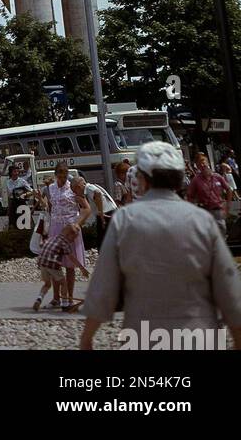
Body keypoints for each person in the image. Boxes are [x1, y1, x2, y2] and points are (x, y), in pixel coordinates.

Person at [80, 141, 241, 351]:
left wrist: (87, 337)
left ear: (143, 179)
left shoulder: (125, 220)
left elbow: (104, 285)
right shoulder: (202, 221)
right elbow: (227, 285)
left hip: (143, 336)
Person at [45, 162, 90, 307]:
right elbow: (51, 208)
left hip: (70, 227)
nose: (63, 179)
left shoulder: (73, 188)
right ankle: (56, 297)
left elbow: (86, 208)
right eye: (60, 176)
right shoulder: (50, 188)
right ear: (56, 175)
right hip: (55, 227)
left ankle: (69, 297)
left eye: (65, 176)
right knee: (55, 264)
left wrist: (78, 223)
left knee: (70, 266)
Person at [34, 225, 81, 313]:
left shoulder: (52, 238)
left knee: (47, 284)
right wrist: (82, 269)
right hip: (53, 265)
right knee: (64, 284)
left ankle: (39, 299)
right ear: (68, 235)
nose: (73, 240)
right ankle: (65, 305)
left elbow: (41, 245)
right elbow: (71, 257)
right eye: (73, 238)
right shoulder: (64, 243)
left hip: (42, 264)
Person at [186, 152, 230, 234]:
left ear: (208, 162)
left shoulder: (217, 177)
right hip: (205, 211)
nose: (202, 165)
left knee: (221, 236)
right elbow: (190, 196)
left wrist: (228, 205)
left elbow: (228, 189)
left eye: (203, 162)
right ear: (197, 166)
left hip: (218, 211)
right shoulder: (196, 180)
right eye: (199, 163)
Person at [79, 177, 117, 248]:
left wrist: (101, 213)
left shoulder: (89, 188)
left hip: (106, 214)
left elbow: (97, 193)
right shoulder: (91, 187)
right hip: (107, 213)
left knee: (102, 241)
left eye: (75, 190)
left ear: (79, 186)